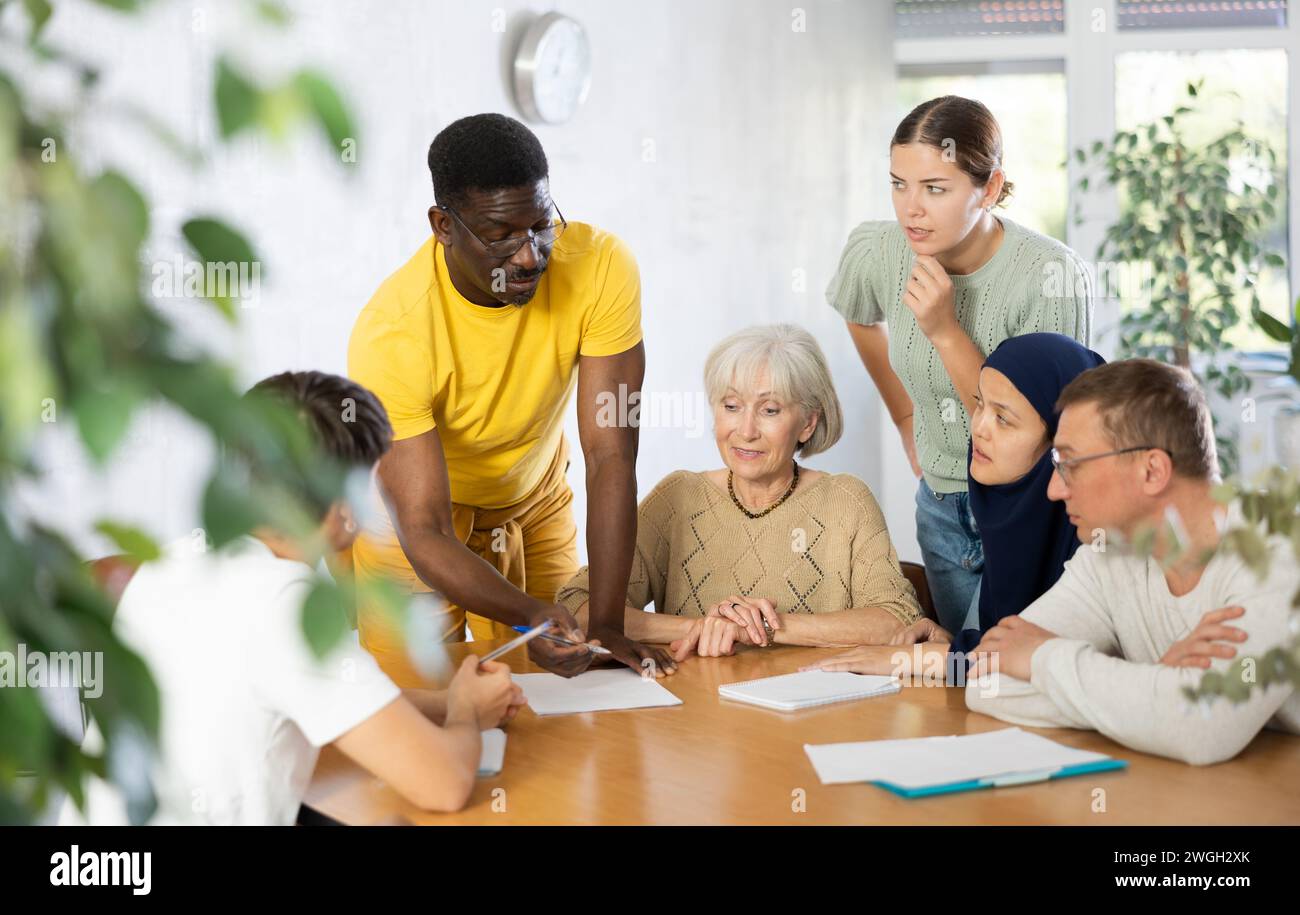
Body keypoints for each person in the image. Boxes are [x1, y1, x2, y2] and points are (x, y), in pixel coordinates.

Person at [62, 372, 526, 825]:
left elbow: (317, 693)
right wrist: (467, 713)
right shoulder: (289, 606)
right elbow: (443, 785)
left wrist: (449, 700)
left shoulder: (173, 561)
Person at [348, 113, 671, 684]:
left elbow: (610, 455)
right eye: (500, 236)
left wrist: (605, 620)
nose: (529, 256)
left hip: (535, 501)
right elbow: (423, 527)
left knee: (566, 689)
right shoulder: (390, 334)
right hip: (417, 529)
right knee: (418, 710)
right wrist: (529, 618)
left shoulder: (600, 267)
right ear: (443, 225)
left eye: (541, 226)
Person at [826, 95, 1093, 632]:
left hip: (1026, 509)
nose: (910, 209)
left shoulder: (1049, 276)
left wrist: (944, 330)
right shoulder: (880, 251)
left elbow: (1039, 426)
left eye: (935, 189)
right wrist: (905, 420)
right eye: (898, 184)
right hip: (941, 503)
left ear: (990, 187)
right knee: (960, 692)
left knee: (990, 667)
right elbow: (859, 315)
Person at [960, 360, 1300, 764]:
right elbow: (985, 683)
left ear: (1152, 470)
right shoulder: (1106, 557)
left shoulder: (1278, 554)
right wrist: (1158, 682)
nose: (1053, 489)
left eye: (1069, 464)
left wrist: (1041, 658)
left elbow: (1199, 728)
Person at [556, 325, 921, 660]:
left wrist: (765, 626)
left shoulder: (846, 501)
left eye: (770, 410)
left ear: (808, 423)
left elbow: (898, 620)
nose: (746, 430)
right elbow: (577, 604)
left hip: (813, 716)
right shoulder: (679, 498)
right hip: (698, 714)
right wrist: (698, 629)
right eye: (731, 406)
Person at [804, 332, 1104, 677]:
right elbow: (1003, 650)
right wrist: (955, 644)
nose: (978, 428)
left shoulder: (1095, 539)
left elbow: (1051, 662)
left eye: (1003, 418)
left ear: (1058, 437)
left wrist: (934, 659)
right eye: (979, 404)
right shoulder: (1010, 512)